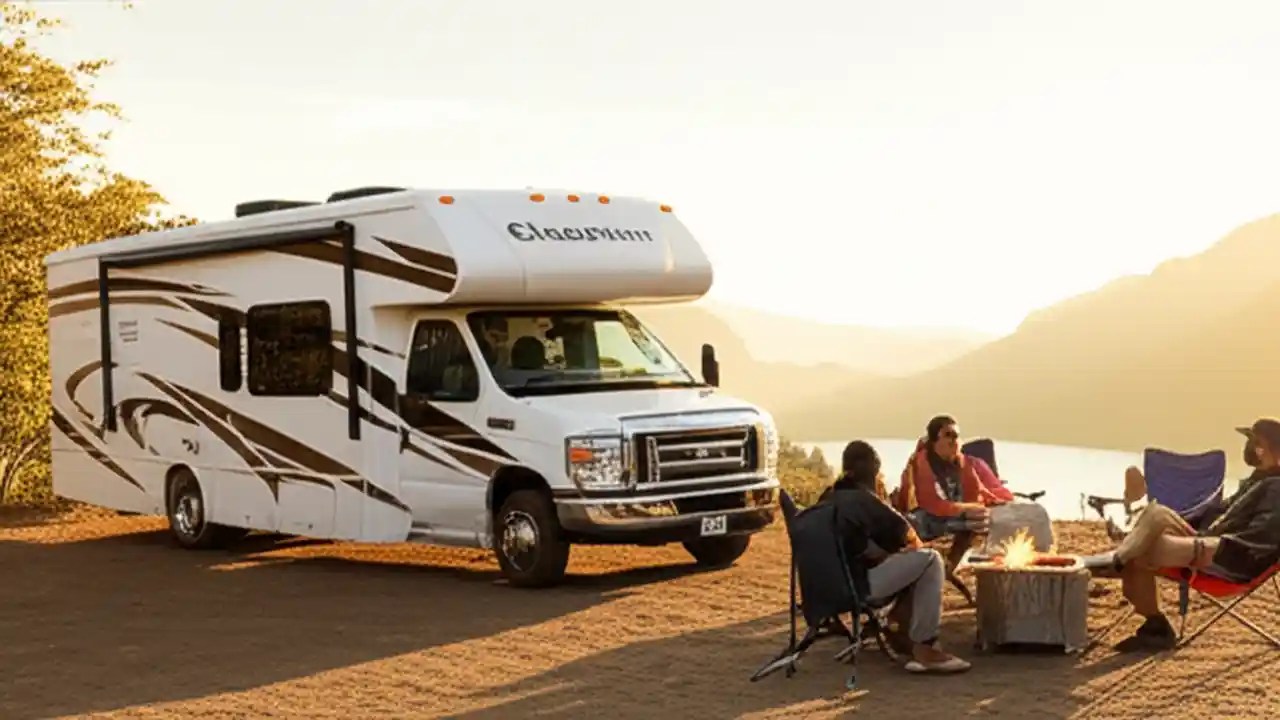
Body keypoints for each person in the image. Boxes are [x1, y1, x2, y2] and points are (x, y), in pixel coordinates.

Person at [1083, 418, 1280, 652]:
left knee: (1144, 549)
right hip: (1205, 538)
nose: (1249, 449)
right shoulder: (1255, 481)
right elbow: (1219, 513)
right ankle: (1128, 564)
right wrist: (1185, 526)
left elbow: (1263, 541)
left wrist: (1213, 546)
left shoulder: (1275, 487)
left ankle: (1120, 563)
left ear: (1267, 448)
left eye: (1254, 442)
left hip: (1225, 556)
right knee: (1155, 513)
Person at [825, 440, 972, 673]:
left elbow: (855, 545)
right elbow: (907, 536)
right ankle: (925, 647)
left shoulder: (827, 500)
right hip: (858, 586)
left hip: (826, 588)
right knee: (931, 560)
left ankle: (900, 629)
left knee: (916, 562)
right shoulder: (864, 500)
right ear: (874, 470)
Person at [1095, 430, 1264, 541]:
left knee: (1157, 516)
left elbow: (1235, 519)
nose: (1245, 448)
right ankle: (1127, 538)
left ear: (1261, 450)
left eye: (1250, 442)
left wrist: (1205, 530)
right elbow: (1232, 511)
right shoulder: (1256, 481)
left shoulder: (1265, 486)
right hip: (1207, 526)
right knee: (1156, 516)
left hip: (1206, 536)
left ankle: (1125, 539)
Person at [892, 415, 1014, 541]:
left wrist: (978, 509)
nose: (954, 440)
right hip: (930, 520)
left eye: (956, 436)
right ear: (934, 441)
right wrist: (965, 511)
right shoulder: (918, 465)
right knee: (916, 521)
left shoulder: (972, 464)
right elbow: (928, 503)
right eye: (948, 435)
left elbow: (999, 494)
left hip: (965, 516)